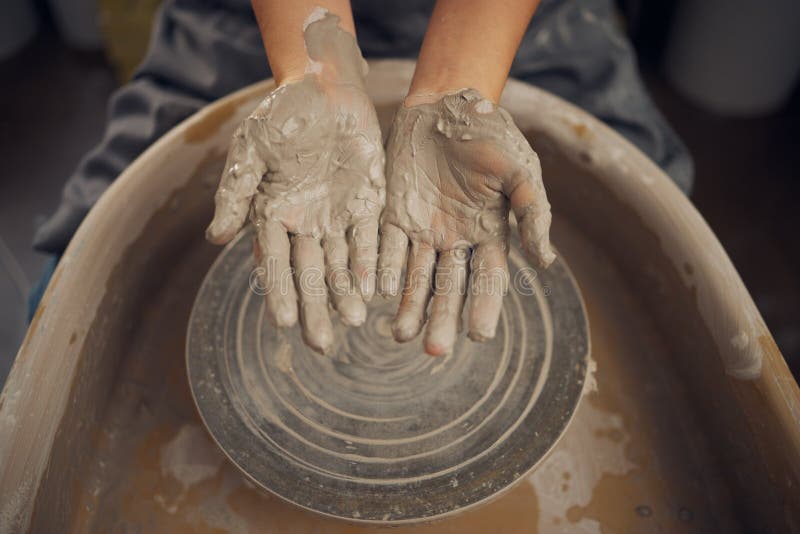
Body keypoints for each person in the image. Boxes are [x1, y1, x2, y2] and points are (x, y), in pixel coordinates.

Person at [32, 0, 693, 355]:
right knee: (70, 282)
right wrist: (319, 65)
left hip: (515, 16)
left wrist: (459, 82)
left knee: (671, 254)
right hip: (252, 14)